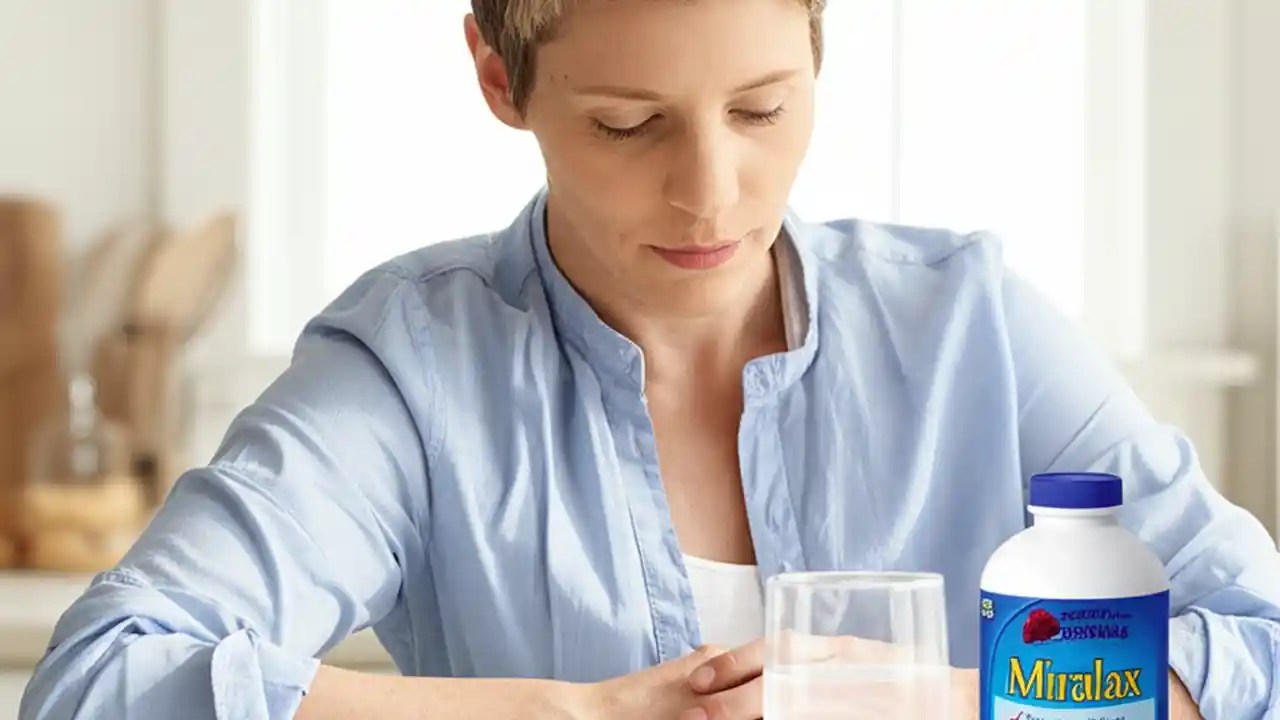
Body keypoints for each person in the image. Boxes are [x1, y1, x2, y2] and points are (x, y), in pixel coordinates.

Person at [19, 1, 1280, 718]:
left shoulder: (968, 328)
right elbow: (101, 682)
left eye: (762, 108)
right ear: (496, 74)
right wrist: (576, 717)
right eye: (628, 125)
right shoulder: (411, 364)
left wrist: (953, 701)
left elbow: (1256, 650)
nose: (710, 195)